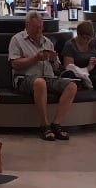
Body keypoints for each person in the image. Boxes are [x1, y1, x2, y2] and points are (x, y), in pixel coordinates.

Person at [7, 11, 79, 140]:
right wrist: (35, 58)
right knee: (40, 82)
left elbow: (56, 68)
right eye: (36, 28)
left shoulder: (47, 42)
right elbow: (15, 64)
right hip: (24, 78)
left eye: (41, 27)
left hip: (48, 77)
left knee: (72, 86)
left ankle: (56, 123)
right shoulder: (17, 39)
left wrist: (52, 60)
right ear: (27, 25)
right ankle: (44, 125)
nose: (39, 31)